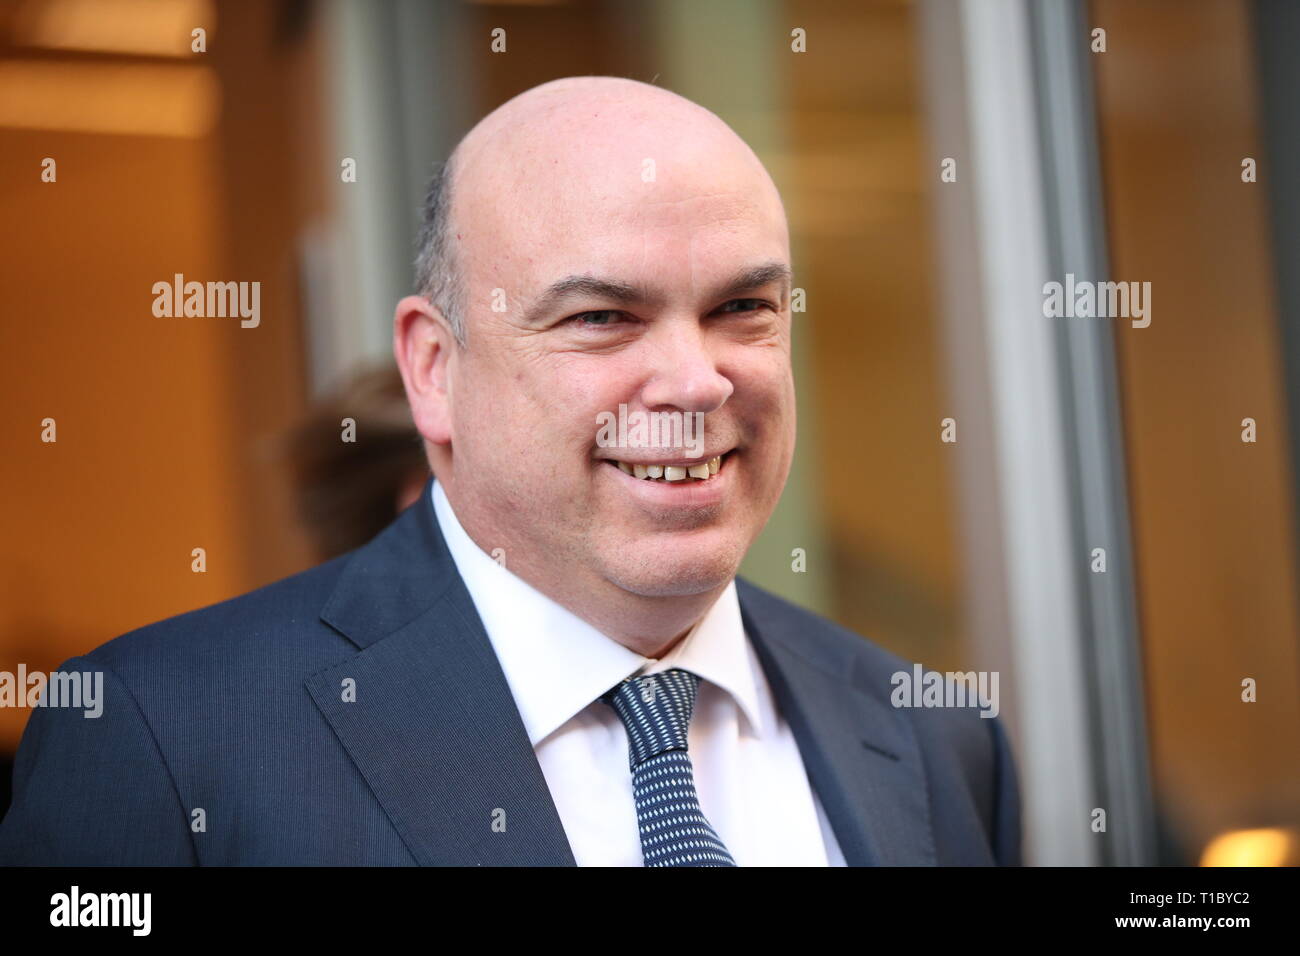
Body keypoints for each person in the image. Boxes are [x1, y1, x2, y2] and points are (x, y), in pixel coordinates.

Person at [0, 76, 1020, 866]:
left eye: (741, 309)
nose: (694, 378)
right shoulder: (166, 735)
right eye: (601, 317)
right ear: (435, 372)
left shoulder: (932, 736)